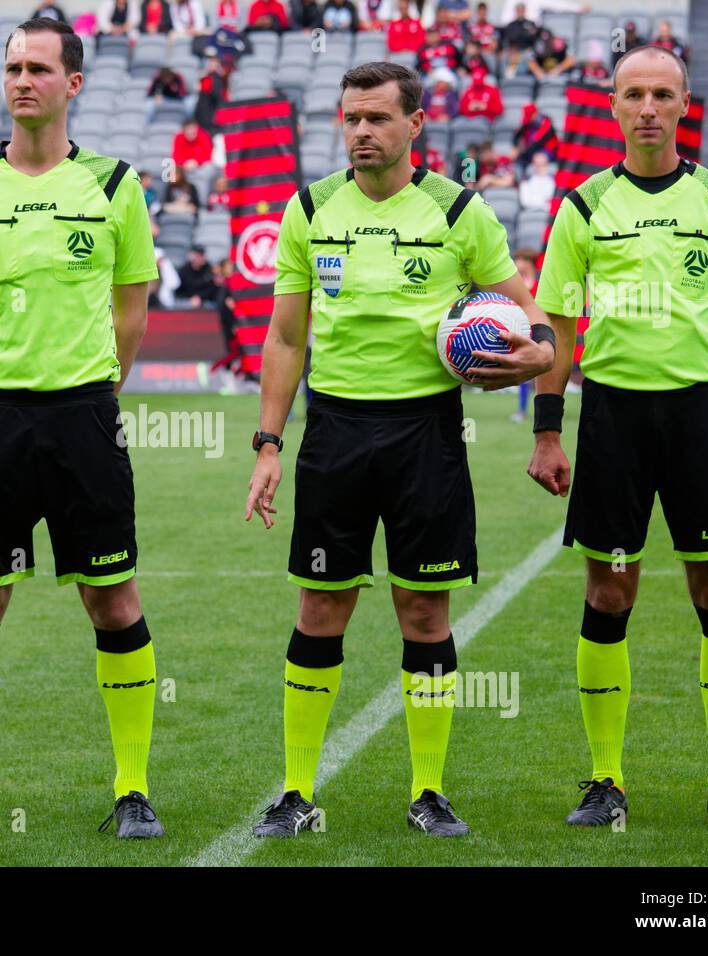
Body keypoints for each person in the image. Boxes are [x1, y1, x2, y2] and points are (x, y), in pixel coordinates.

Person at [246, 60, 553, 839]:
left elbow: (528, 308)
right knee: (320, 607)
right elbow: (284, 337)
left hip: (427, 435)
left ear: (416, 124)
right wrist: (268, 444)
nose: (361, 132)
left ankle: (428, 792)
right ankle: (294, 792)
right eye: (350, 118)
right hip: (336, 433)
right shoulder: (310, 208)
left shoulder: (457, 210)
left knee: (424, 609)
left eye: (378, 118)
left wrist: (539, 351)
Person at [0, 17, 164, 840]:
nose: (22, 79)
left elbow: (131, 312)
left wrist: (88, 384)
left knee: (111, 594)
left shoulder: (117, 184)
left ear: (73, 84)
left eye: (39, 68)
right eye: (13, 66)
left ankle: (132, 790)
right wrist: (10, 375)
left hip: (85, 415)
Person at [529, 45, 708, 828]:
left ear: (683, 105)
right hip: (613, 419)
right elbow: (557, 328)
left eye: (660, 95)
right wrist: (547, 432)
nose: (646, 107)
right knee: (609, 591)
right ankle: (606, 780)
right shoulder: (581, 206)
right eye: (632, 93)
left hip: (700, 418)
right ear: (612, 105)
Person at [511, 248, 540, 422]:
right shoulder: (516, 284)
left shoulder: (540, 283)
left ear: (528, 262)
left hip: (540, 331)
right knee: (524, 373)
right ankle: (522, 410)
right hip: (522, 331)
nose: (516, 262)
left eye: (520, 258)